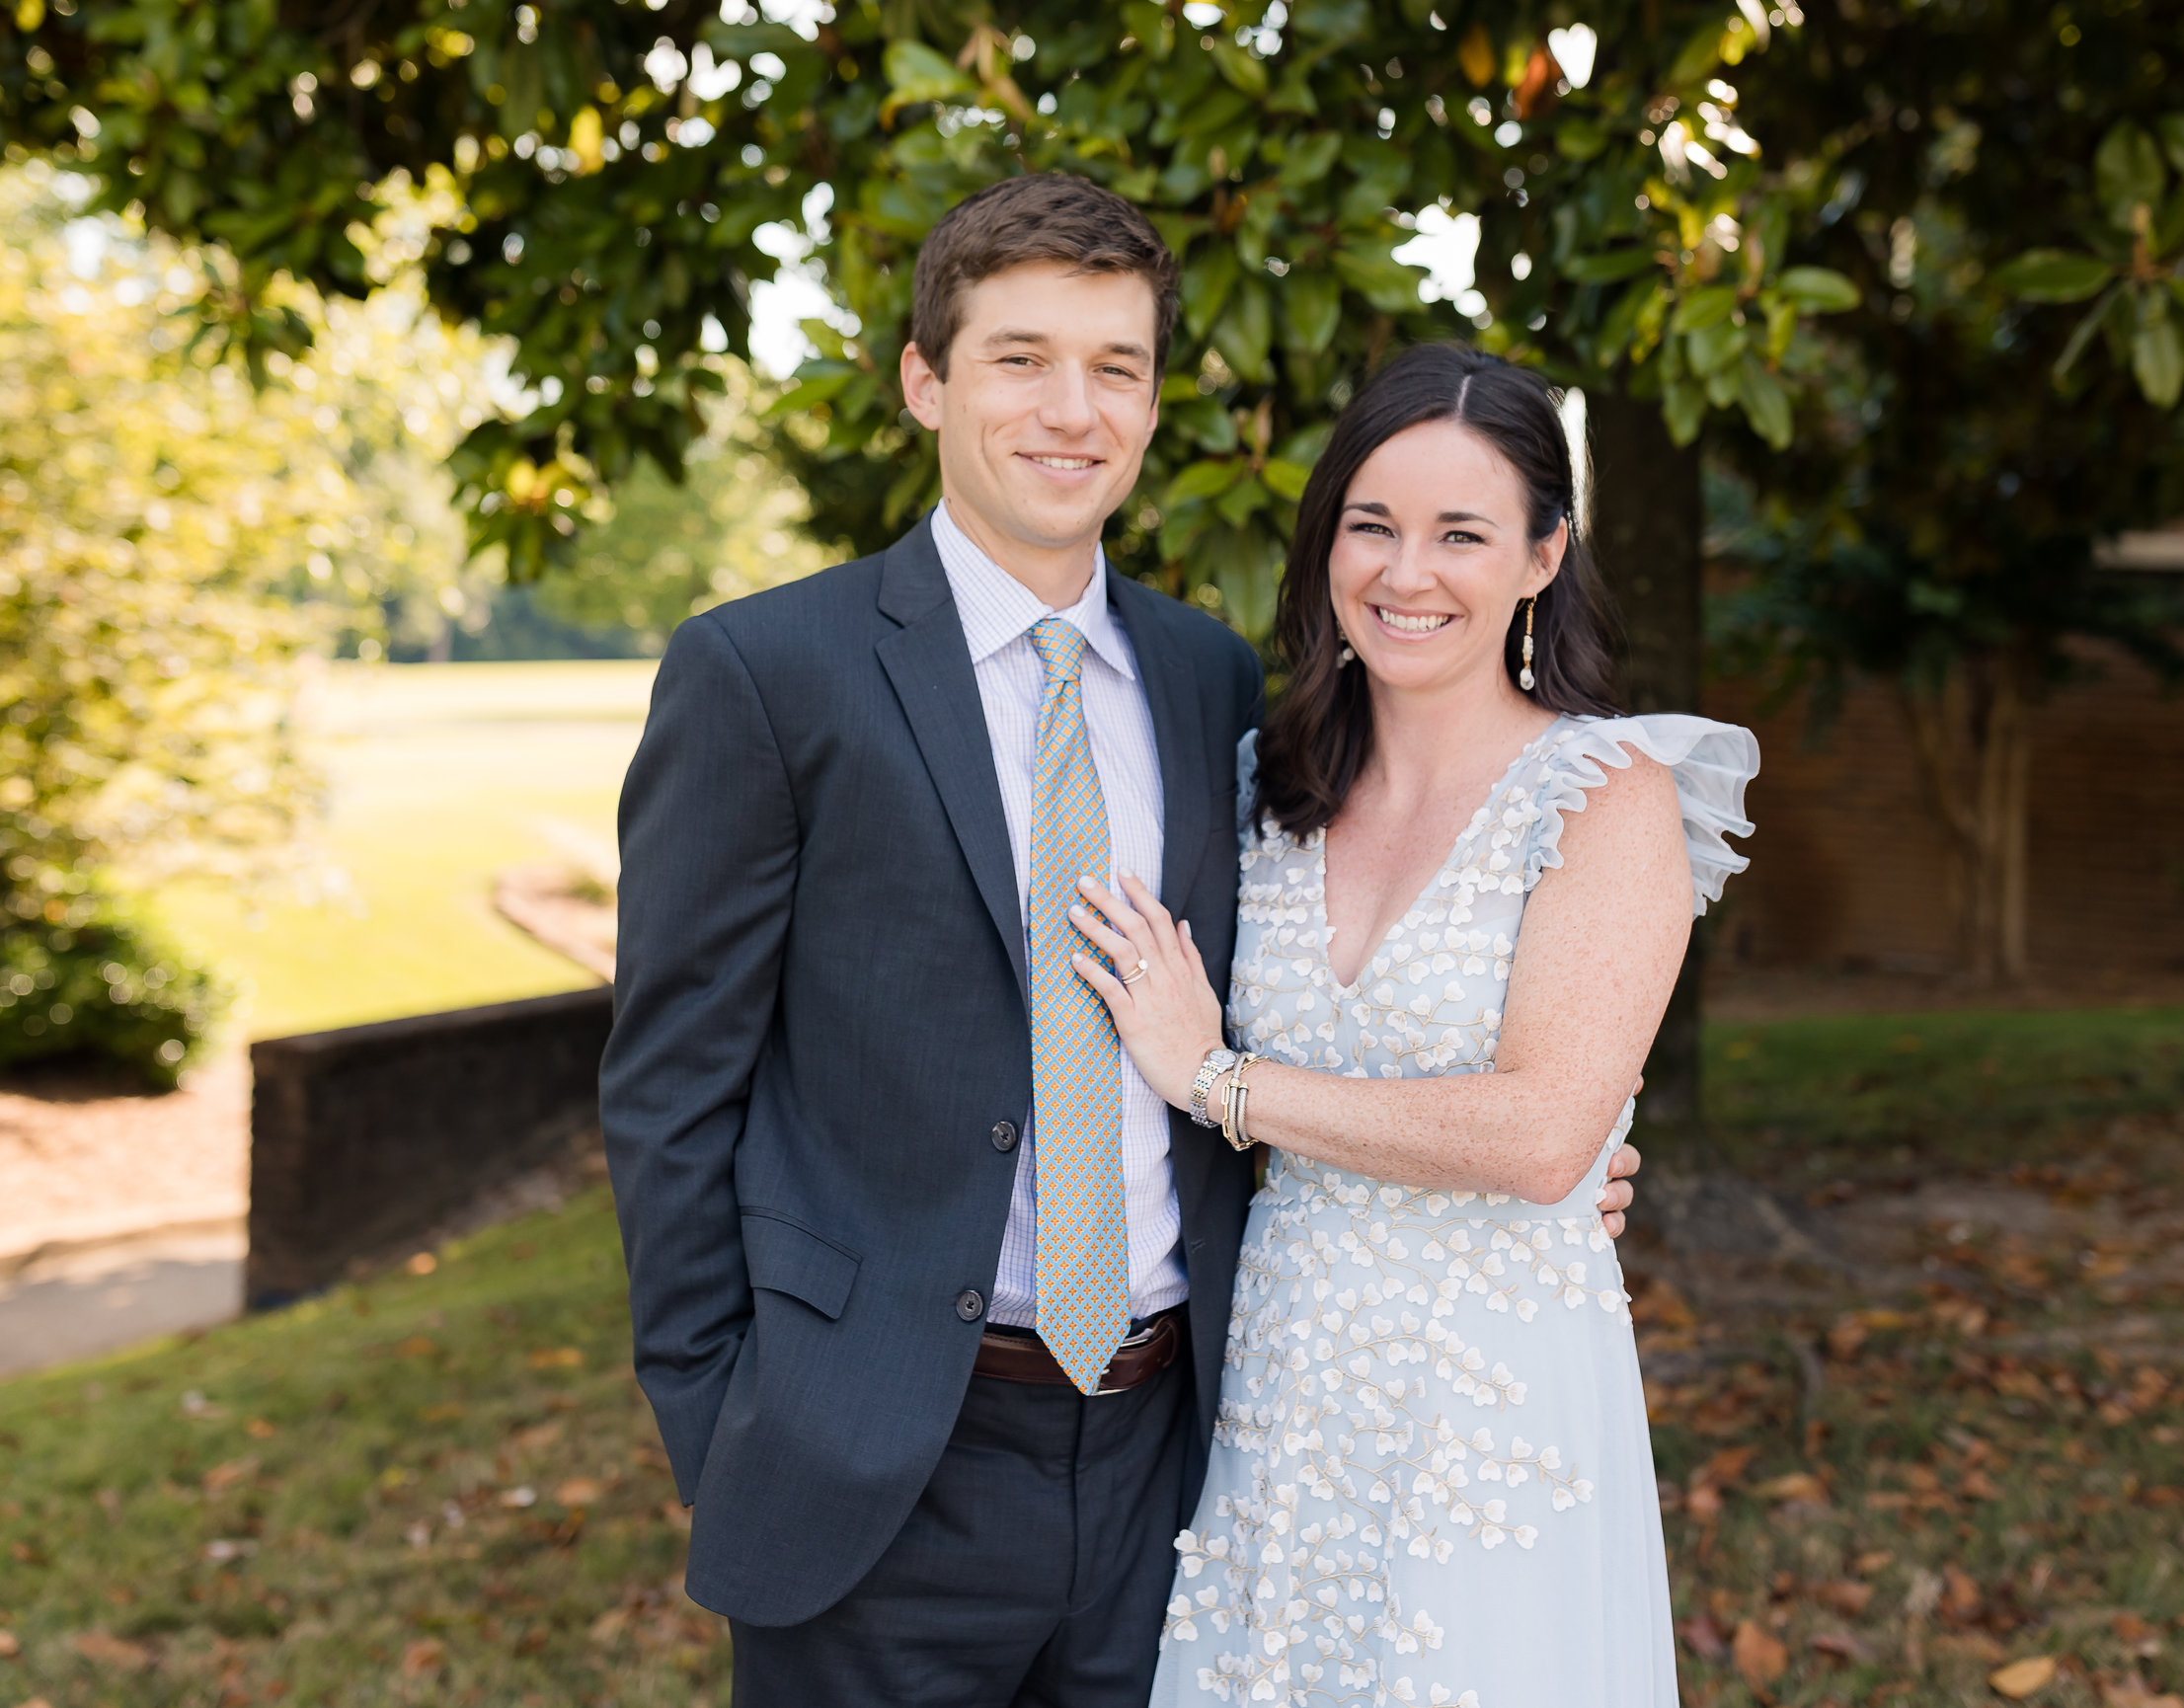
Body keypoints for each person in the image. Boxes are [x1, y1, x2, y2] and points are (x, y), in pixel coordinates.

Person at [600, 176, 1642, 1707]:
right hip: (880, 1457)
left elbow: (1348, 984)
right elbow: (668, 1090)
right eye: (1020, 357)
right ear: (925, 379)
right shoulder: (767, 675)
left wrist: (1552, 1152)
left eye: (1118, 366)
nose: (1069, 410)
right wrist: (726, 1417)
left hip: (1181, 1455)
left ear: (1154, 401)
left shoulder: (1217, 686)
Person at [1058, 344, 1758, 1707]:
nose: (1406, 572)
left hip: (1492, 1405)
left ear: (1544, 555)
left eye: (1461, 533)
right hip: (1283, 1372)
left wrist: (1221, 1078)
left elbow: (1546, 1132)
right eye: (1370, 525)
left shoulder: (1605, 795)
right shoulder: (1268, 778)